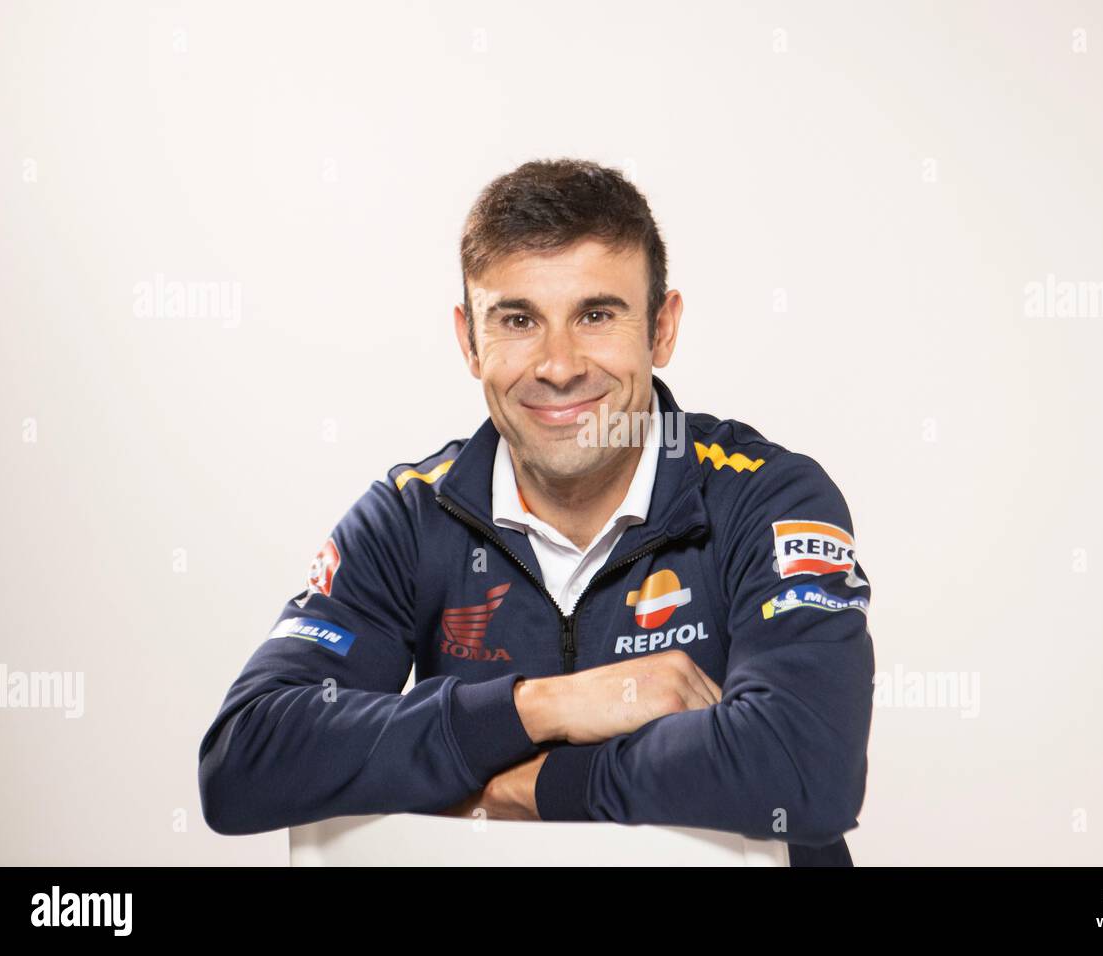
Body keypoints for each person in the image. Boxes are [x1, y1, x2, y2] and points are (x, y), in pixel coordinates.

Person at [198, 158, 875, 866]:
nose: (558, 365)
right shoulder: (408, 517)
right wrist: (541, 706)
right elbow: (244, 762)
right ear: (468, 340)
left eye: (597, 315)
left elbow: (807, 769)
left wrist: (532, 789)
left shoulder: (765, 499)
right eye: (518, 320)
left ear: (663, 329)